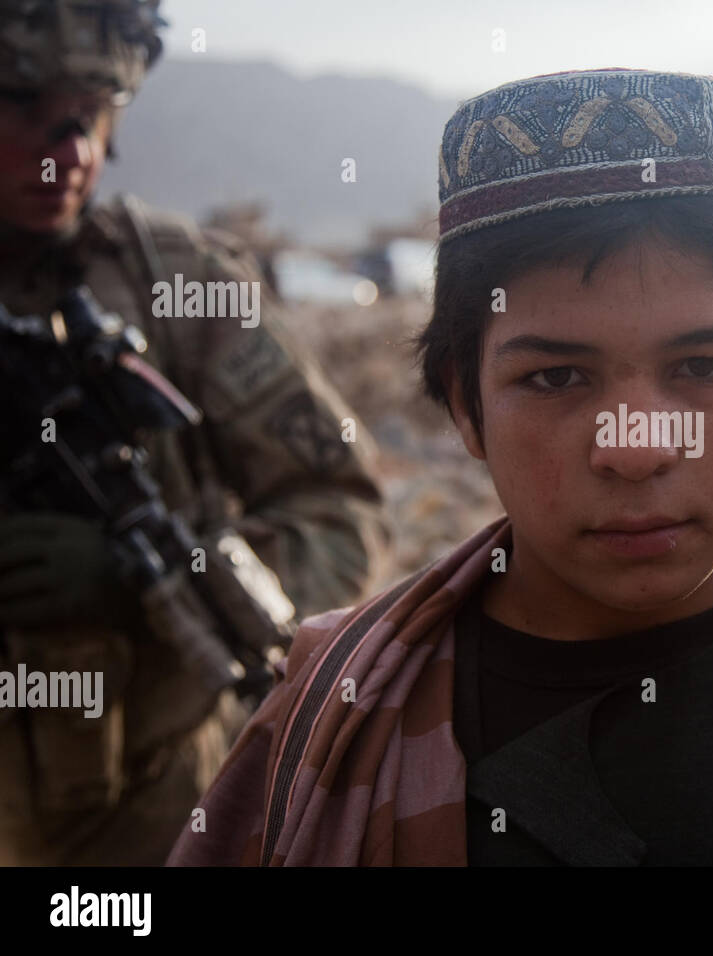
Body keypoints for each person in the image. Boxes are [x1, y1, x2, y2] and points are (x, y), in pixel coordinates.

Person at [169, 67, 713, 867]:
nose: (636, 447)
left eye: (704, 368)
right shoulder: (328, 720)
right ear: (465, 405)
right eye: (555, 378)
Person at [0, 0, 390, 865]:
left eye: (88, 112)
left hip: (155, 810)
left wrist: (150, 582)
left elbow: (339, 513)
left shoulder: (174, 284)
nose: (66, 148)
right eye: (23, 102)